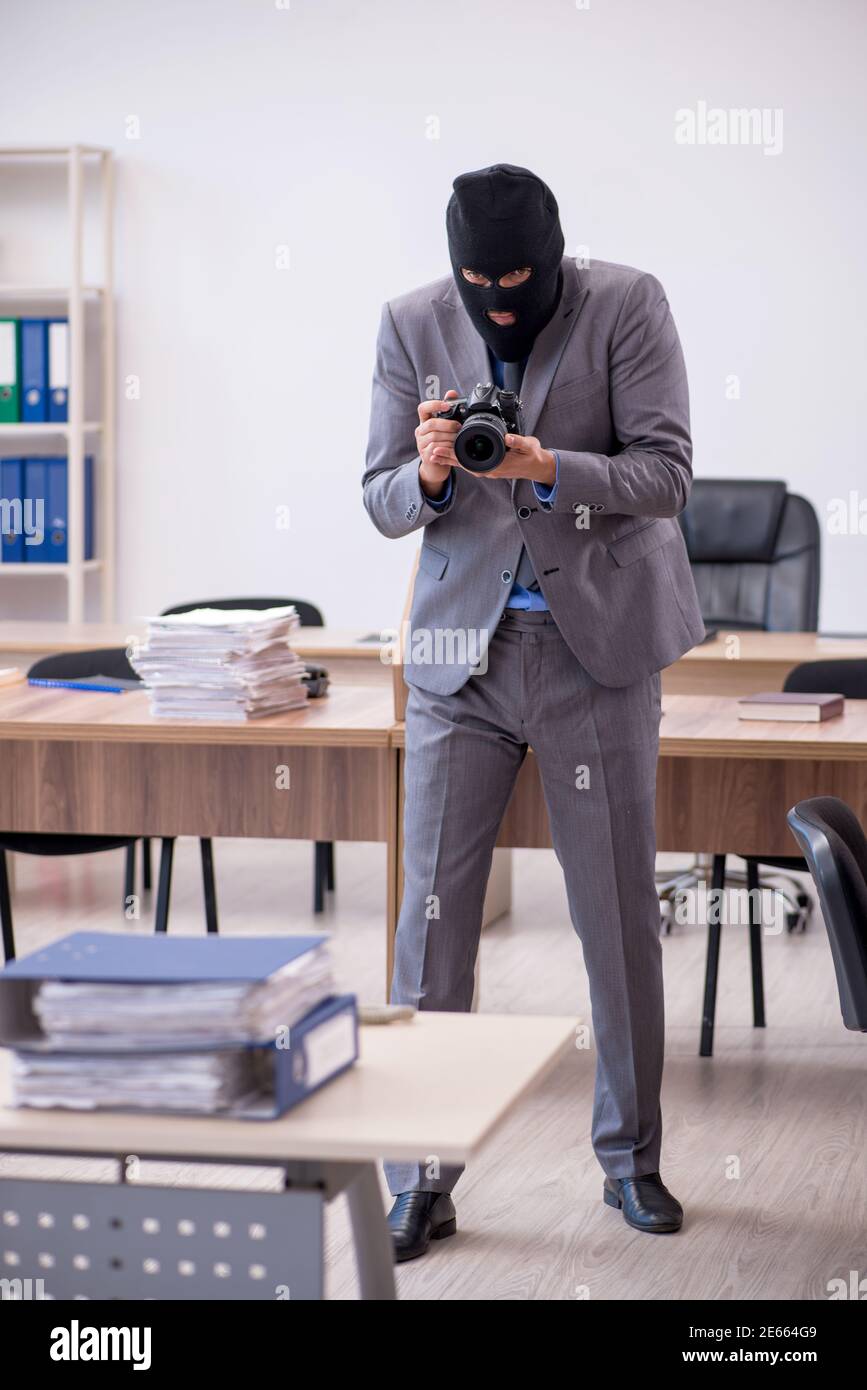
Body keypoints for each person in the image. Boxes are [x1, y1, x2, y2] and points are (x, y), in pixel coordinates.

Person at [362, 163, 705, 1262]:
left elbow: (668, 474)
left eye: (520, 278)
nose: (499, 297)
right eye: (480, 280)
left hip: (593, 654)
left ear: (554, 257)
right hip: (459, 660)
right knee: (429, 926)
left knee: (611, 918)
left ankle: (631, 1160)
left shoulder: (629, 303)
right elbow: (376, 498)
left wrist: (549, 464)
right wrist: (424, 475)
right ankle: (421, 1173)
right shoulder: (410, 320)